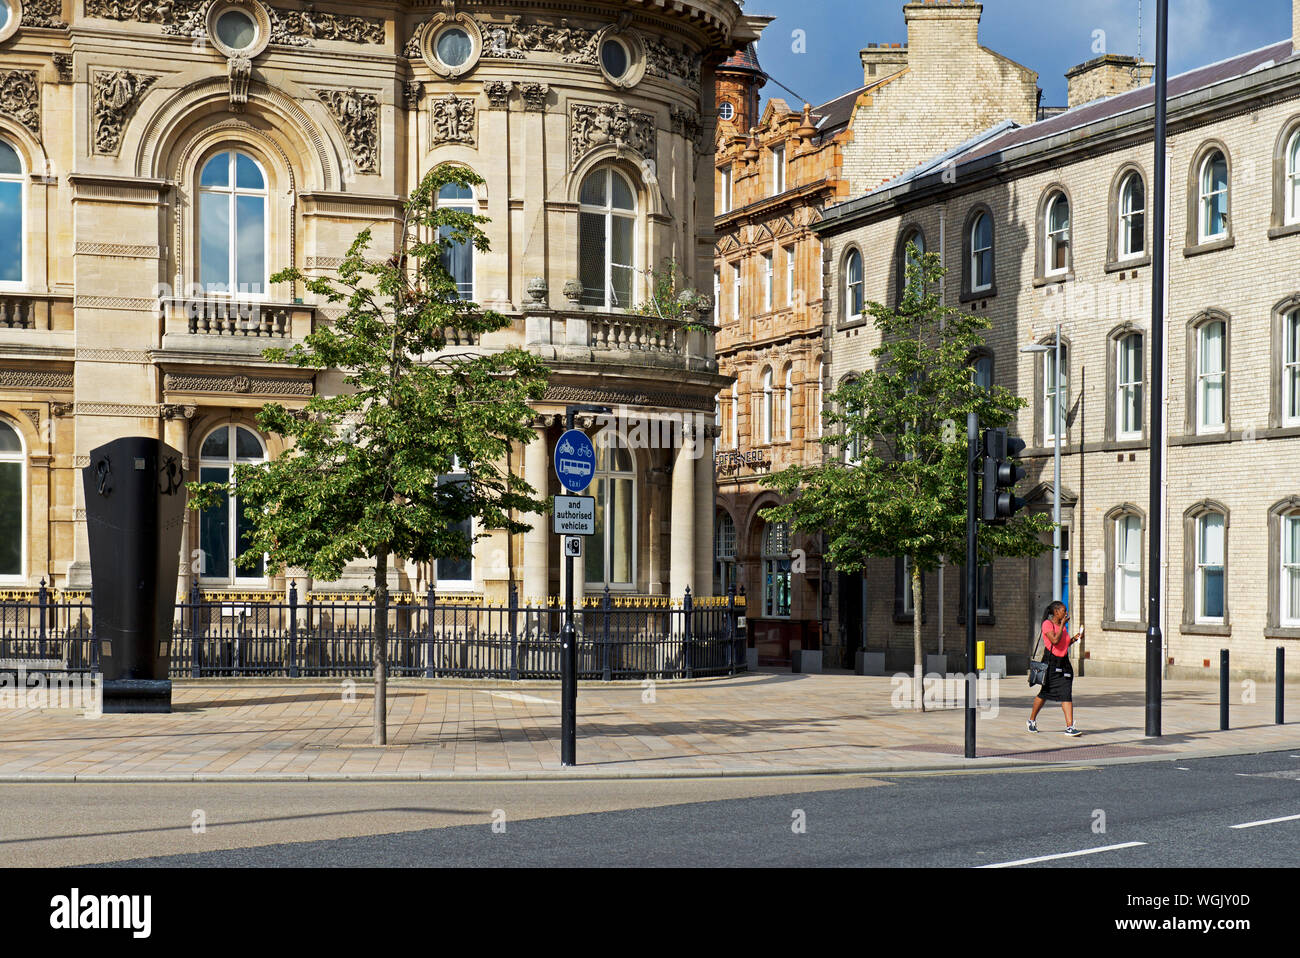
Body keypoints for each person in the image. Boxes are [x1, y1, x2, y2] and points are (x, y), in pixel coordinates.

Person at [1028, 600, 1084, 736]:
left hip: (1064, 663)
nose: (1066, 613)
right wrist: (1061, 626)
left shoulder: (1062, 626)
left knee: (1066, 693)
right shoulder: (1047, 624)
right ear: (1056, 612)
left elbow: (1063, 645)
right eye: (1063, 610)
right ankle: (1031, 720)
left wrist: (1075, 638)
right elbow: (1054, 641)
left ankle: (1070, 727)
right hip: (1051, 663)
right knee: (1044, 693)